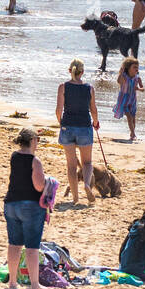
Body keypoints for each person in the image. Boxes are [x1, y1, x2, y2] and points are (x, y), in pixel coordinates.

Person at [2, 127, 47, 289]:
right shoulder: (35, 161)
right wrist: (48, 183)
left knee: (14, 245)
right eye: (37, 140)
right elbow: (38, 185)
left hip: (11, 203)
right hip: (30, 206)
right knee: (32, 248)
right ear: (32, 140)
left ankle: (12, 282)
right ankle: (35, 284)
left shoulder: (14, 156)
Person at [56, 60, 99, 205]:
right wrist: (96, 122)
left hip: (67, 126)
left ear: (70, 71)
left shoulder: (63, 87)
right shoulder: (89, 88)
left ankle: (75, 197)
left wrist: (60, 123)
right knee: (87, 162)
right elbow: (93, 109)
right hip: (84, 127)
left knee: (71, 165)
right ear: (82, 72)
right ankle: (87, 184)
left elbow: (58, 110)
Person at [113, 58, 144, 141]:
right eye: (134, 67)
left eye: (137, 67)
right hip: (124, 100)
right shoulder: (124, 76)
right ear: (128, 68)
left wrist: (138, 89)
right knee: (129, 117)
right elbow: (119, 81)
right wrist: (120, 73)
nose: (136, 69)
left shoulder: (137, 78)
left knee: (133, 118)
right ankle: (133, 134)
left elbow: (143, 88)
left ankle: (132, 133)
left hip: (132, 100)